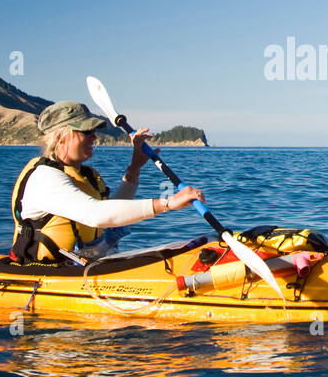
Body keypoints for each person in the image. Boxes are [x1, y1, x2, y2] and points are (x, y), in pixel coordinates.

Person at [10, 101, 204, 265]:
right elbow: (96, 214)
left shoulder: (85, 174)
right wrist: (167, 203)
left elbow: (112, 212)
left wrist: (135, 167)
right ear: (61, 136)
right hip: (47, 271)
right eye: (86, 131)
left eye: (94, 131)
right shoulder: (44, 178)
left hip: (83, 265)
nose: (94, 137)